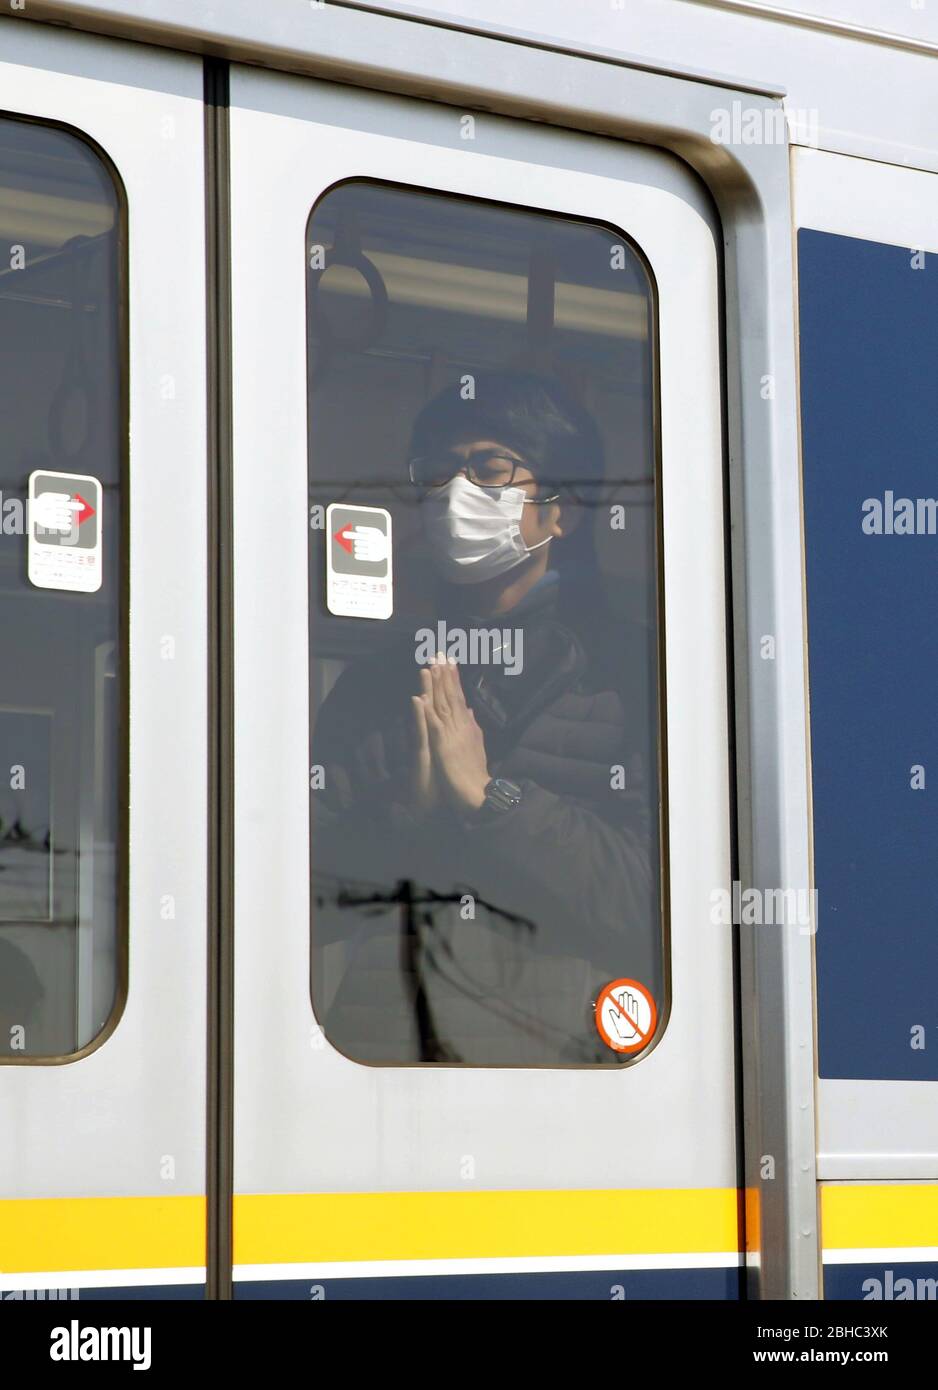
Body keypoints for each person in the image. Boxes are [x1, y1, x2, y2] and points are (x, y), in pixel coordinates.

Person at [311, 371, 659, 1064]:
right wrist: (405, 811)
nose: (456, 494)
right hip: (383, 1068)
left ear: (563, 510)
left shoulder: (629, 678)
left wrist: (491, 799)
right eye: (438, 474)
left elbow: (649, 901)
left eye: (489, 467)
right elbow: (300, 893)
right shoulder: (380, 681)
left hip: (569, 1066)